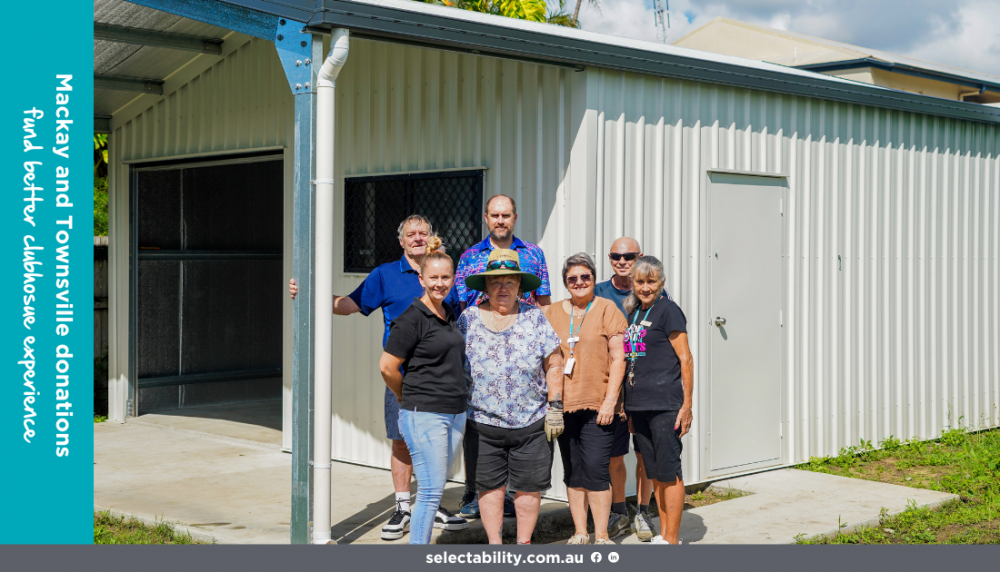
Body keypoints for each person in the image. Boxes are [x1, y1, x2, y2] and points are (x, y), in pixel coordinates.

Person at [288, 215, 467, 541]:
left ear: (431, 238)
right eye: (410, 234)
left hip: (442, 378)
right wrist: (310, 295)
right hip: (402, 376)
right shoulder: (385, 274)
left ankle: (430, 502)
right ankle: (402, 506)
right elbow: (348, 305)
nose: (416, 238)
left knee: (439, 446)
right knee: (401, 440)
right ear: (401, 241)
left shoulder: (443, 276)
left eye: (422, 233)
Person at [454, 194, 553, 519]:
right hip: (482, 350)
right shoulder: (470, 257)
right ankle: (473, 493)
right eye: (494, 215)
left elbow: (544, 302)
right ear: (486, 218)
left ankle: (514, 499)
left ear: (514, 217)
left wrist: (543, 349)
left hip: (523, 345)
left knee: (522, 439)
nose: (500, 220)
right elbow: (457, 304)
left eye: (506, 215)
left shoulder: (533, 254)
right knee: (479, 432)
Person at [457, 249, 564, 545]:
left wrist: (555, 404)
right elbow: (453, 364)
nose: (503, 288)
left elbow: (554, 361)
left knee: (529, 487)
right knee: (489, 487)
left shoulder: (535, 318)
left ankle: (523, 545)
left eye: (510, 282)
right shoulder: (468, 319)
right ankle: (495, 547)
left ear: (520, 286)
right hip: (481, 422)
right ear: (485, 286)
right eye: (495, 282)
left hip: (531, 421)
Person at [379, 236, 469, 544]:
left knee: (435, 486)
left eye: (446, 277)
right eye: (434, 278)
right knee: (429, 493)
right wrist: (404, 396)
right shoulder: (411, 319)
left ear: (453, 278)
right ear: (422, 279)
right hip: (425, 413)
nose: (440, 283)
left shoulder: (448, 314)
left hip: (454, 413)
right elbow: (387, 367)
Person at [543, 253, 627, 545]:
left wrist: (610, 400)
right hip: (563, 406)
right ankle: (580, 531)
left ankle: (601, 534)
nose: (579, 282)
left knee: (595, 468)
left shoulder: (607, 308)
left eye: (585, 277)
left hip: (598, 405)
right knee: (573, 470)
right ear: (566, 282)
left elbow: (619, 359)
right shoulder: (551, 312)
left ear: (593, 278)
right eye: (572, 278)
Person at [593, 237, 673, 541]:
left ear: (639, 257)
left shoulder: (655, 292)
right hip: (611, 385)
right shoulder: (599, 291)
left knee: (644, 455)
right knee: (614, 455)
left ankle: (642, 511)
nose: (622, 261)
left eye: (629, 256)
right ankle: (618, 513)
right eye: (616, 255)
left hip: (643, 388)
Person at [622, 256, 693, 545]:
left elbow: (685, 359)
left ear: (661, 283)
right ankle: (664, 535)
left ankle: (671, 541)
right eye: (640, 281)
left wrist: (686, 405)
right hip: (639, 407)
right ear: (633, 283)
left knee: (669, 471)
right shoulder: (635, 313)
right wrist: (628, 409)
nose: (646, 287)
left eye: (652, 281)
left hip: (665, 405)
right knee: (655, 474)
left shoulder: (669, 311)